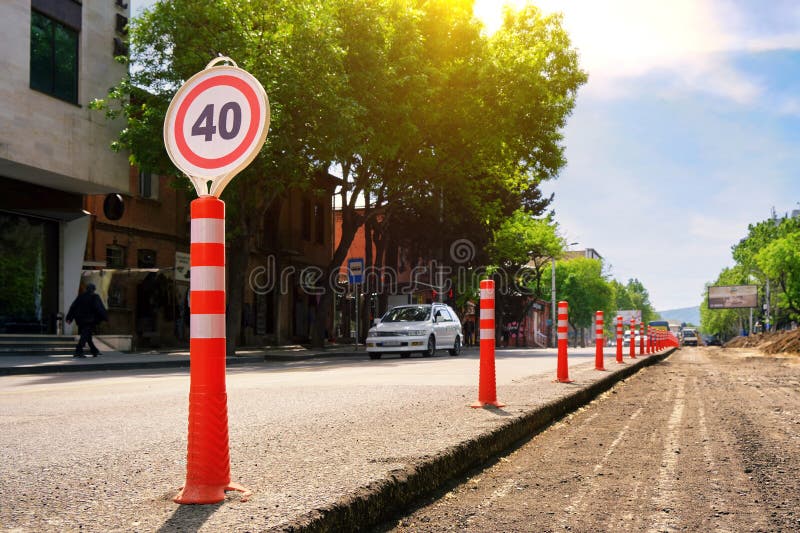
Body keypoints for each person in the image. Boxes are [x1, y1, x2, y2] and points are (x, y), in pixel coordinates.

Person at [66, 283, 108, 358]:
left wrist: (69, 318)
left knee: (88, 336)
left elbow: (73, 307)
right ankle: (78, 351)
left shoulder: (80, 296)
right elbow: (99, 308)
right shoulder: (94, 297)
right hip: (89, 320)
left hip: (80, 320)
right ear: (93, 289)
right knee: (85, 335)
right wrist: (105, 317)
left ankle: (94, 350)